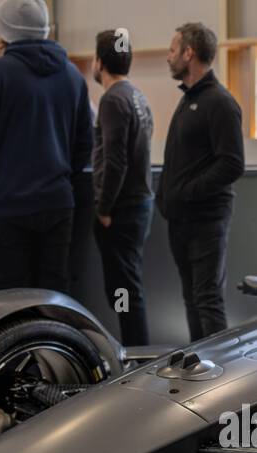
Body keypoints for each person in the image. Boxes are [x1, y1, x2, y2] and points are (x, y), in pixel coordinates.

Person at [0, 0, 93, 293]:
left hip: (6, 205)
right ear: (45, 30)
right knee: (54, 296)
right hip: (59, 203)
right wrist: (62, 177)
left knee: (10, 300)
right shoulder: (73, 76)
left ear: (4, 33)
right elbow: (85, 143)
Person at [158, 22, 244, 342]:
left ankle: (219, 379)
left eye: (172, 50)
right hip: (181, 219)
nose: (168, 57)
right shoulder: (189, 98)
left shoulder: (220, 102)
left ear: (188, 53)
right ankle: (198, 367)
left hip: (206, 220)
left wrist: (186, 193)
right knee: (192, 299)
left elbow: (232, 163)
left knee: (207, 300)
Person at [91, 29, 154, 346]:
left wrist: (103, 208)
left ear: (99, 62)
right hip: (139, 204)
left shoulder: (112, 100)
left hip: (121, 210)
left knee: (124, 290)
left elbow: (115, 161)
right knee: (129, 287)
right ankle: (135, 350)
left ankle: (135, 356)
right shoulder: (137, 96)